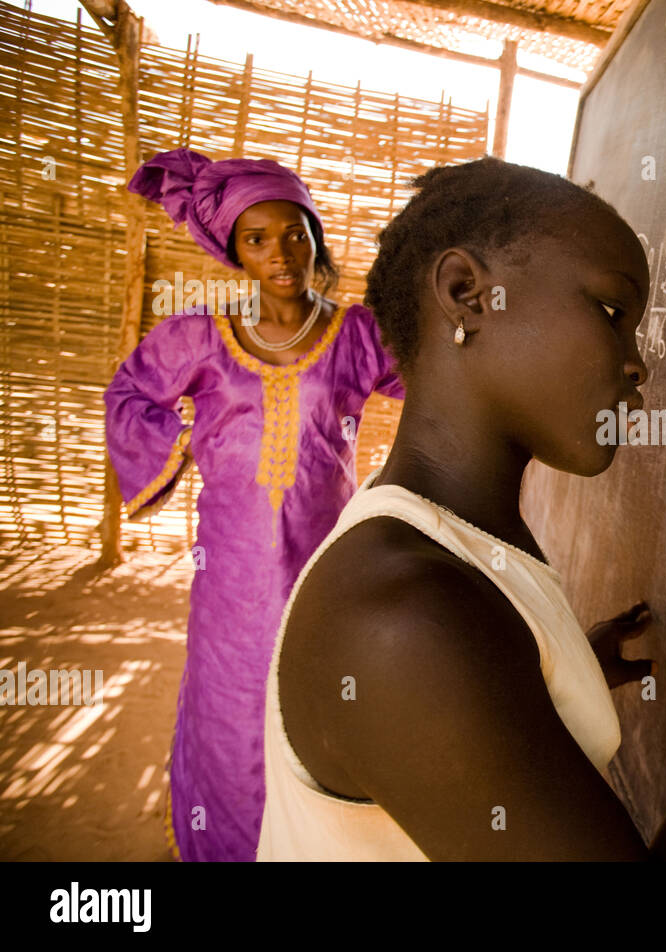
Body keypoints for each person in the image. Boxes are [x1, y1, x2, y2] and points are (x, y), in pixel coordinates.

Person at [257, 157, 666, 861]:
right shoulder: (401, 618)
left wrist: (546, 678)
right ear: (468, 294)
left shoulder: (420, 528)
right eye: (612, 312)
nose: (639, 363)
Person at [103, 148, 405, 861]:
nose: (281, 253)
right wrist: (179, 442)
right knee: (232, 712)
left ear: (315, 236)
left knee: (318, 709)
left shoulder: (355, 336)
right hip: (231, 573)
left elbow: (441, 371)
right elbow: (130, 393)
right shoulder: (201, 335)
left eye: (295, 233)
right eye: (257, 239)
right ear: (234, 249)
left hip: (323, 569)